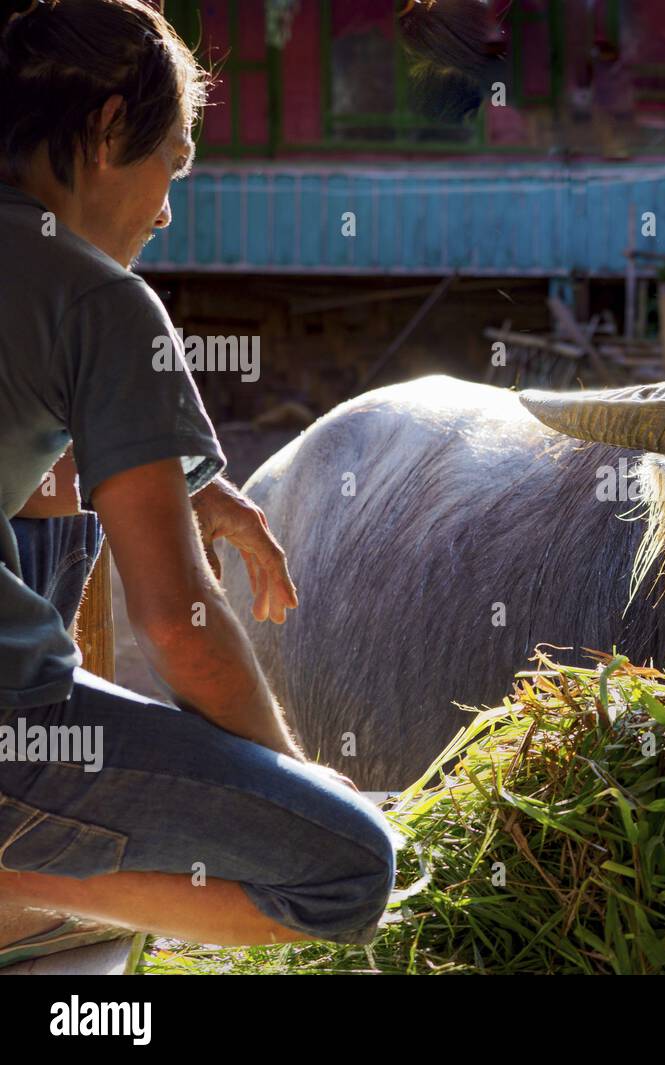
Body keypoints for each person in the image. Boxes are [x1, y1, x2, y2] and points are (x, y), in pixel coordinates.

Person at [0, 0, 396, 965]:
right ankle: (17, 890)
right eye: (171, 163)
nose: (169, 207)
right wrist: (291, 783)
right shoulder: (96, 296)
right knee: (348, 867)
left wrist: (180, 475)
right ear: (103, 130)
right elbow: (176, 621)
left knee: (53, 510)